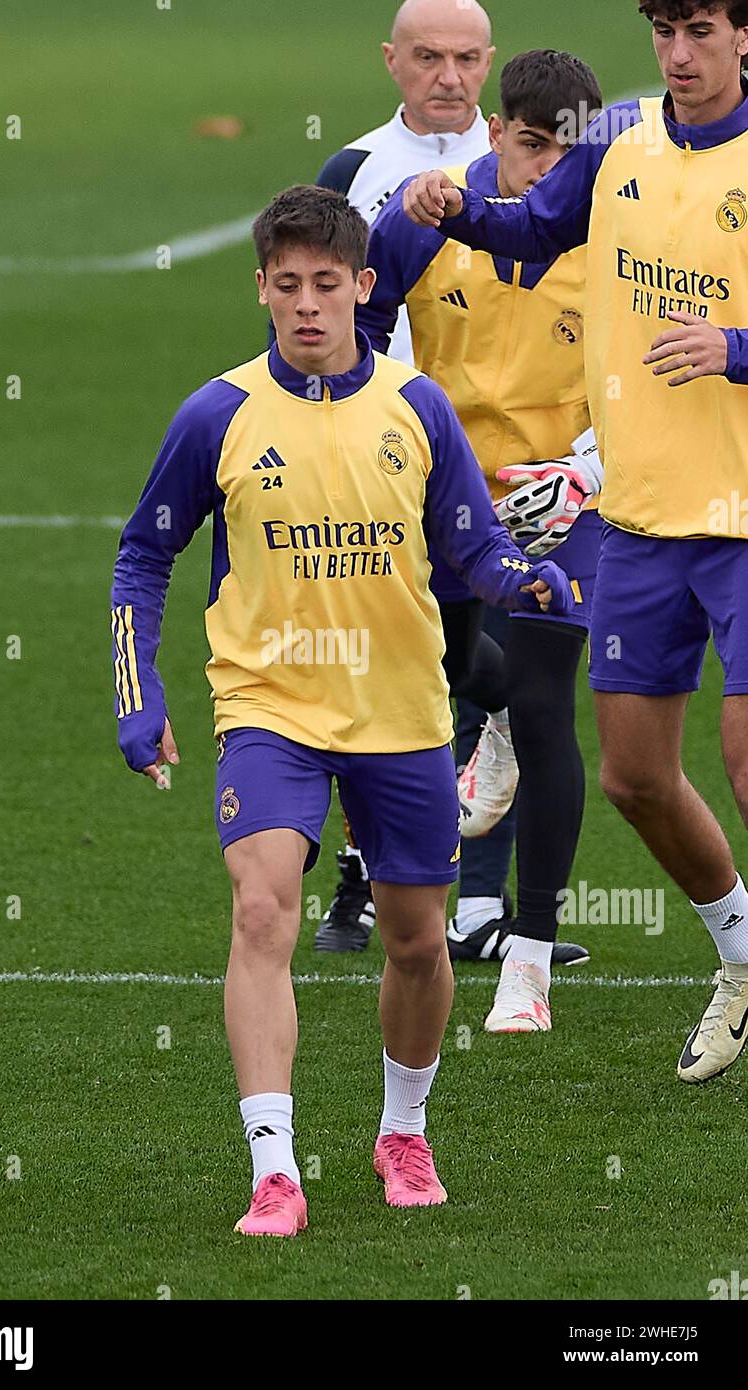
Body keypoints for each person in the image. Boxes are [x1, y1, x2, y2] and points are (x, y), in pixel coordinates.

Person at [110, 184, 573, 1237]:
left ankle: (400, 1131)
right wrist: (140, 696)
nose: (307, 304)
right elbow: (144, 553)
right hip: (267, 702)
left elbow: (469, 546)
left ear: (363, 288)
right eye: (287, 286)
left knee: (416, 942)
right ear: (261, 290)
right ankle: (272, 1166)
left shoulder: (415, 407)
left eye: (327, 284)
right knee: (262, 905)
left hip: (401, 707)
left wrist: (521, 580)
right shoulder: (216, 415)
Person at [403, 0, 748, 1081]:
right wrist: (457, 206)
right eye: (662, 30)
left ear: (743, 35)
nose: (678, 54)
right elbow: (530, 229)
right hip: (640, 517)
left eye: (698, 29)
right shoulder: (613, 139)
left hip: (742, 518)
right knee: (635, 779)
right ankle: (740, 957)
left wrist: (733, 345)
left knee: (743, 763)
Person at [319, 50, 602, 1034]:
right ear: (494, 132)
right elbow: (361, 316)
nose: (541, 172)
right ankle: (491, 727)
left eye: (563, 154)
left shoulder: (606, 232)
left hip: (567, 502)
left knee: (542, 700)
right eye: (527, 146)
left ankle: (526, 953)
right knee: (444, 666)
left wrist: (587, 471)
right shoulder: (426, 213)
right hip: (449, 497)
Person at [316, 0, 495, 363]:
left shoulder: (521, 167)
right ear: (392, 59)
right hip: (379, 409)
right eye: (428, 57)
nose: (449, 78)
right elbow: (305, 293)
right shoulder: (349, 170)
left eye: (467, 59)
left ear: (488, 62)